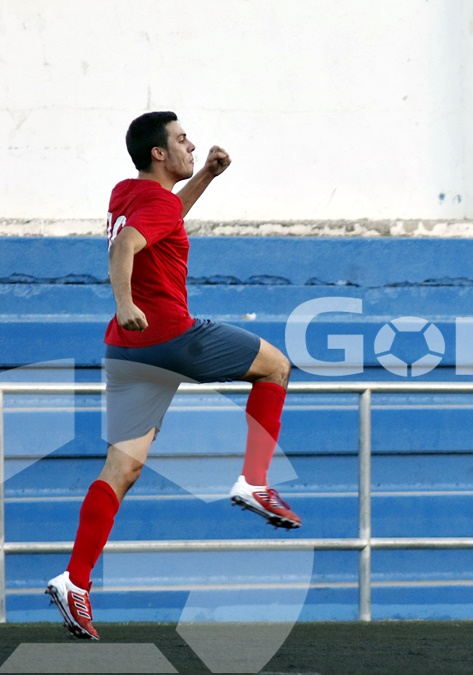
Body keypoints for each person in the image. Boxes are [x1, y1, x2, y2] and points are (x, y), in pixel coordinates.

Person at [45, 111, 301, 641]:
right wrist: (125, 301)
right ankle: (254, 481)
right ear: (158, 153)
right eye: (183, 140)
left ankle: (75, 582)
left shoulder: (129, 192)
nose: (191, 144)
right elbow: (125, 249)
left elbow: (159, 224)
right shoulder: (155, 202)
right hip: (168, 336)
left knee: (122, 469)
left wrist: (205, 175)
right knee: (276, 367)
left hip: (128, 352)